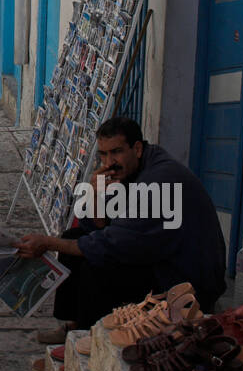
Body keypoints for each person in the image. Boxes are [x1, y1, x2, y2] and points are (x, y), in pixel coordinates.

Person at [17, 116, 227, 341]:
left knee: (96, 265)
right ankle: (77, 325)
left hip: (184, 282)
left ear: (136, 148)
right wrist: (96, 194)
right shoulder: (133, 169)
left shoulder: (159, 181)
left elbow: (113, 243)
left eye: (115, 152)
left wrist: (48, 242)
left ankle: (92, 338)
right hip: (157, 257)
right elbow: (97, 227)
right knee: (73, 237)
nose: (109, 162)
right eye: (103, 154)